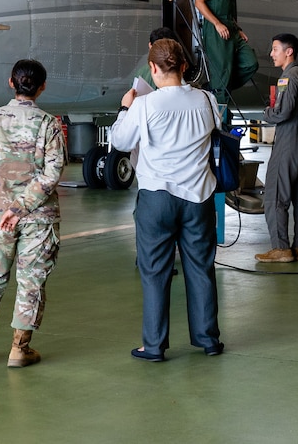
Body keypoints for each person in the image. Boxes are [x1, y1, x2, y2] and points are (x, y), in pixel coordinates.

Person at [111, 38, 224, 362]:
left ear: (153, 68)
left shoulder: (145, 105)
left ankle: (155, 345)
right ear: (185, 66)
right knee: (201, 267)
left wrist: (125, 108)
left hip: (157, 197)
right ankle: (208, 339)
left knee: (155, 272)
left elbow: (120, 141)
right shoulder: (206, 99)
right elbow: (217, 128)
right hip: (199, 197)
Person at [0, 59, 66, 368]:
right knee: (31, 280)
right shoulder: (48, 123)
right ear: (42, 87)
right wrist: (21, 207)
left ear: (11, 83)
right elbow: (52, 172)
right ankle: (19, 350)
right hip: (38, 217)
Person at [255, 33, 298, 263]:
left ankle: (280, 248)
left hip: (289, 143)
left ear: (288, 51)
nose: (272, 54)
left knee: (275, 194)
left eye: (275, 49)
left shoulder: (288, 77)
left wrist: (266, 113)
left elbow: (283, 112)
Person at [194, 0, 259, 105]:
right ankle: (220, 99)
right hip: (216, 32)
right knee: (222, 73)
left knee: (251, 64)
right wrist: (217, 24)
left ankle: (217, 87)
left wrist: (238, 29)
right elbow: (199, 2)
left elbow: (230, 8)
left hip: (231, 30)